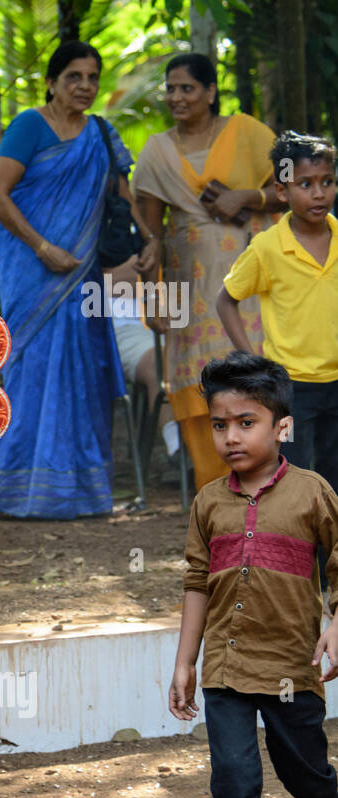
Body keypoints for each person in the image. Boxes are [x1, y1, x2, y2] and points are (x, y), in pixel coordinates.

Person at [168, 351, 338, 798]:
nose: (231, 438)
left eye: (247, 423)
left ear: (282, 426)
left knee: (304, 772)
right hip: (225, 666)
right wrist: (184, 661)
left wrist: (336, 624)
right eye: (220, 425)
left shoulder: (313, 494)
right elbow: (197, 583)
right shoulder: (207, 502)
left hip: (291, 663)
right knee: (234, 786)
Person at [0, 40, 157, 518]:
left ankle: (79, 492)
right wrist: (42, 246)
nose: (85, 86)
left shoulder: (100, 133)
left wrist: (150, 241)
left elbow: (124, 195)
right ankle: (20, 490)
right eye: (74, 77)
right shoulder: (28, 127)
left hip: (83, 277)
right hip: (34, 276)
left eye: (93, 78)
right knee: (32, 371)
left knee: (85, 373)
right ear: (53, 81)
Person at [133, 53, 280, 490]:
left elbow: (292, 188)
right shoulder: (157, 150)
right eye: (171, 89)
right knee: (200, 385)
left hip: (250, 281)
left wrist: (247, 197)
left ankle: (270, 492)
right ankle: (216, 496)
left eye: (187, 88)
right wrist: (153, 297)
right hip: (187, 286)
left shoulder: (249, 133)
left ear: (210, 92)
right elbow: (150, 232)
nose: (176, 97)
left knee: (253, 374)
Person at [217, 130, 338, 496]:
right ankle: (290, 552)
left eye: (327, 182)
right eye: (305, 183)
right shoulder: (267, 247)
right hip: (290, 386)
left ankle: (328, 553)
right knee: (292, 480)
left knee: (334, 479)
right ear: (282, 192)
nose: (319, 193)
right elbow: (226, 299)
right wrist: (251, 360)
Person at [105, 254, 181, 464]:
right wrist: (126, 272)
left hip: (158, 326)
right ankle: (178, 450)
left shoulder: (147, 237)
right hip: (110, 328)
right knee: (159, 362)